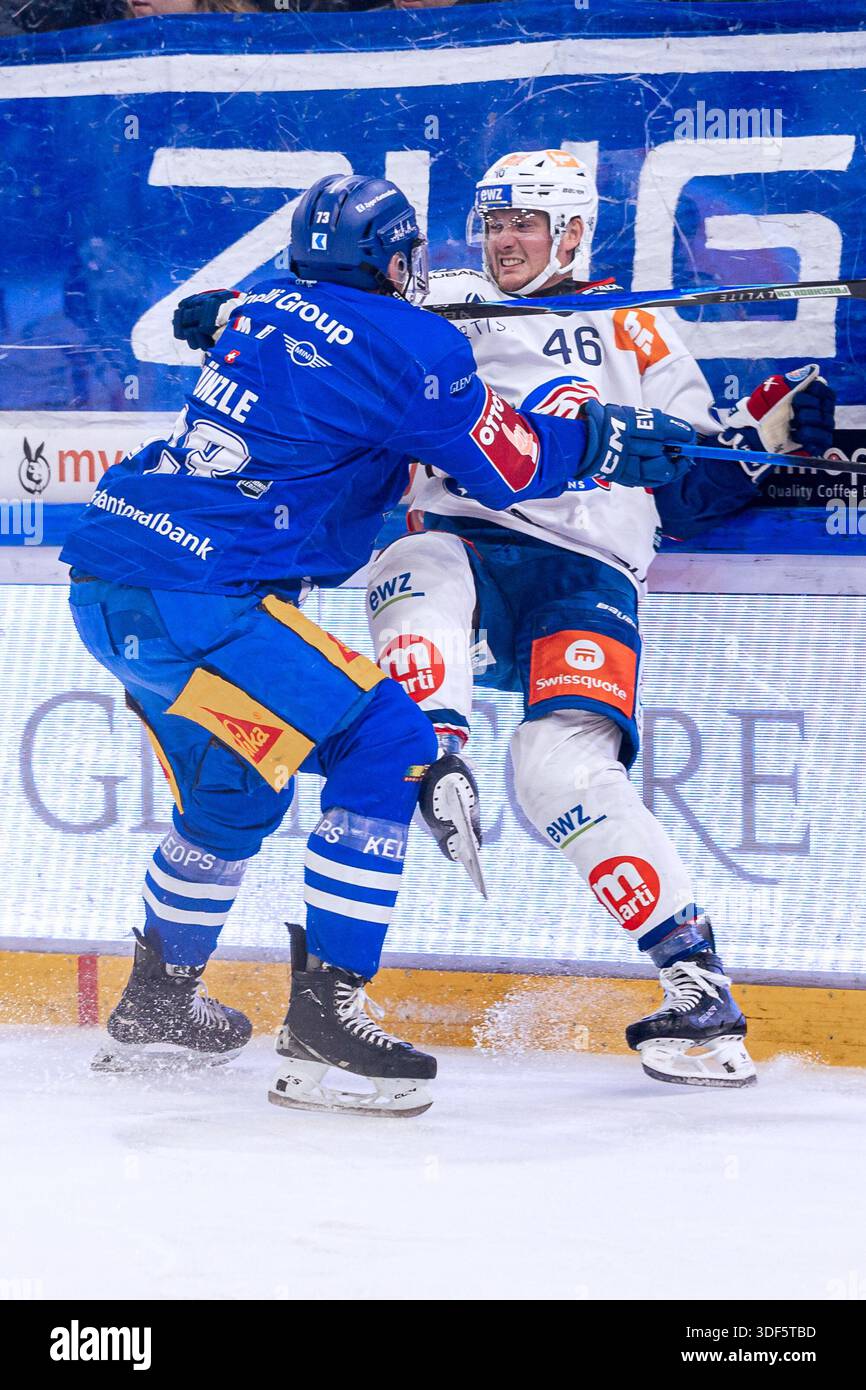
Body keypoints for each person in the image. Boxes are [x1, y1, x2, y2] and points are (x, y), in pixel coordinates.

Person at [64, 171, 694, 1115]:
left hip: (109, 586)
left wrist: (225, 309)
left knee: (234, 795)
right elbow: (509, 467)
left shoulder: (261, 305)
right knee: (392, 743)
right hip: (208, 602)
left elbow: (257, 320)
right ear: (398, 261)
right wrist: (601, 443)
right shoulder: (415, 342)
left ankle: (158, 1008)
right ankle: (325, 1023)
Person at [362, 149, 834, 1087]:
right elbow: (348, 349)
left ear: (572, 232)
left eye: (525, 222)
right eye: (494, 221)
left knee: (557, 771)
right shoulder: (447, 311)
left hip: (588, 572)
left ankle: (699, 994)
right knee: (415, 563)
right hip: (471, 535)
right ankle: (434, 746)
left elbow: (694, 484)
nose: (503, 239)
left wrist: (758, 446)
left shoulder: (639, 328)